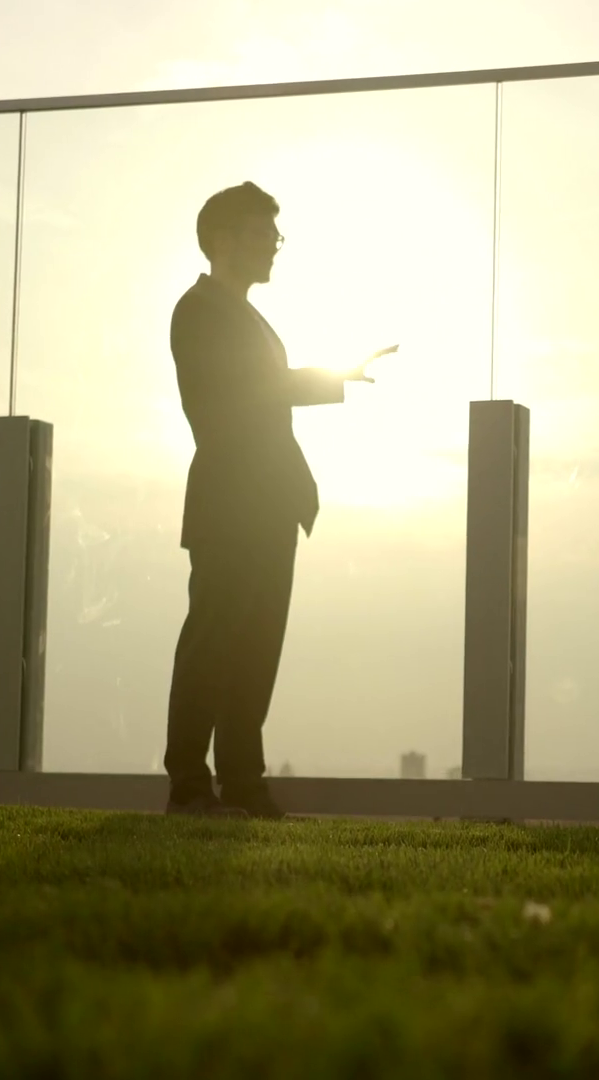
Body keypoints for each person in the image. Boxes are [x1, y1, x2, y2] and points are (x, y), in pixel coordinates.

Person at [162, 181, 392, 819]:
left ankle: (241, 782)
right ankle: (188, 783)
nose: (275, 248)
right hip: (230, 503)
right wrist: (334, 375)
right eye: (266, 235)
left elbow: (261, 391)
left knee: (257, 647)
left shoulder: (248, 316)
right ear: (226, 239)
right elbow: (242, 394)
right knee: (213, 642)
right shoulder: (198, 310)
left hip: (266, 505)